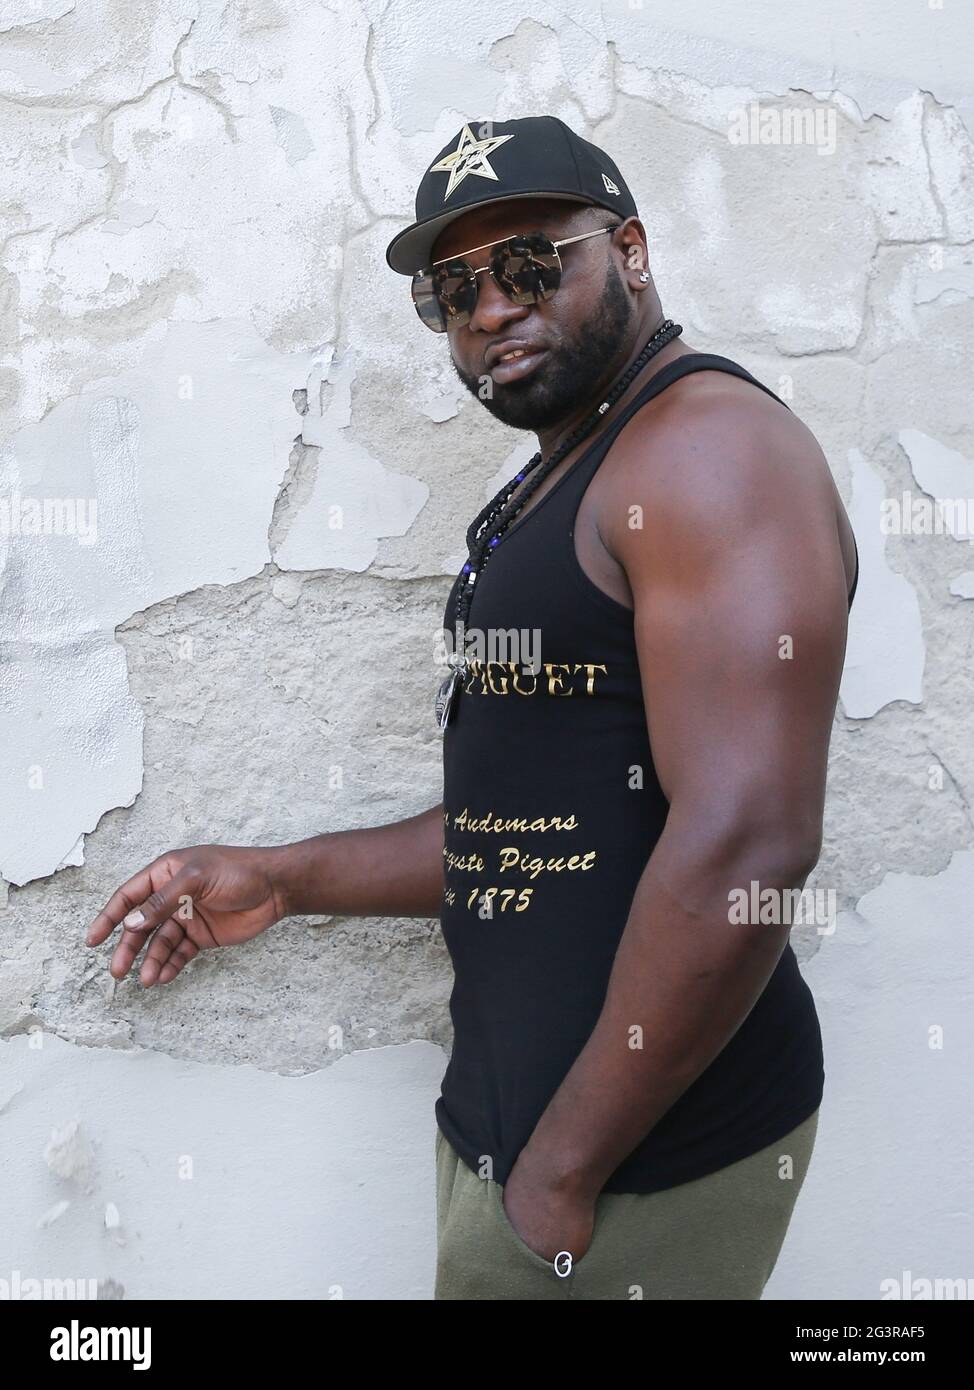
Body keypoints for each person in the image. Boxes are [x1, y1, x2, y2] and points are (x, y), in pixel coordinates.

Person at [87, 115, 859, 1300]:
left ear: (634, 251)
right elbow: (541, 824)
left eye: (533, 262)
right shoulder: (586, 460)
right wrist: (284, 878)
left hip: (634, 1169)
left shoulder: (709, 454)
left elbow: (750, 842)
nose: (491, 307)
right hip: (526, 1139)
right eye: (455, 289)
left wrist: (561, 1172)